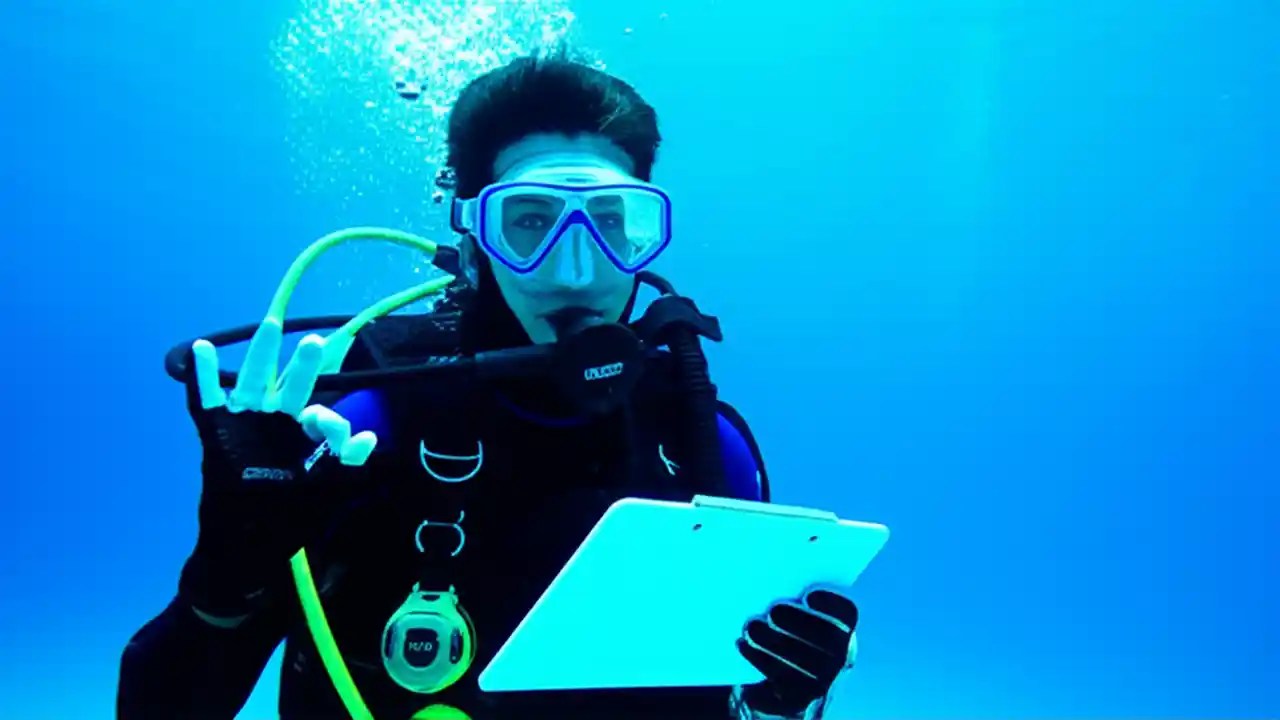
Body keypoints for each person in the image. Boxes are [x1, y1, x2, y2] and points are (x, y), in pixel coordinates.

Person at [117, 51, 860, 720]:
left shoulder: (703, 448)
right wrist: (226, 583)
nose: (578, 271)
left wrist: (776, 702)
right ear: (474, 234)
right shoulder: (364, 430)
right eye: (529, 223)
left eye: (613, 221)